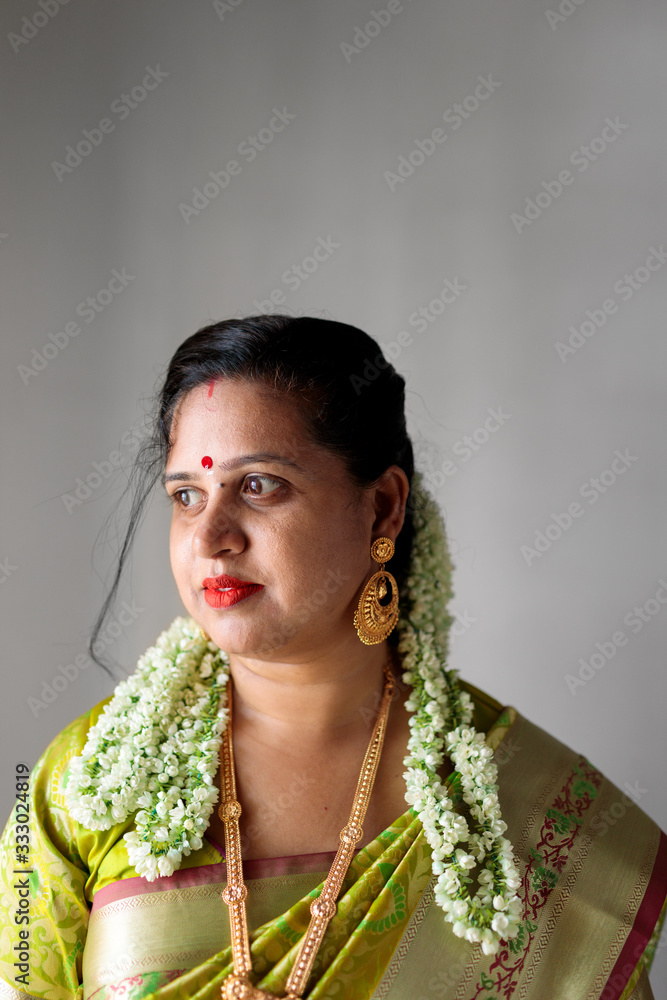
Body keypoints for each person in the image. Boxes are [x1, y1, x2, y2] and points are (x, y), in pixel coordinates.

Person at [1, 316, 665, 1000]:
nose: (211, 536)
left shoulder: (524, 807)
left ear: (380, 508)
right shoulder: (78, 786)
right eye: (186, 496)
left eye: (259, 485)